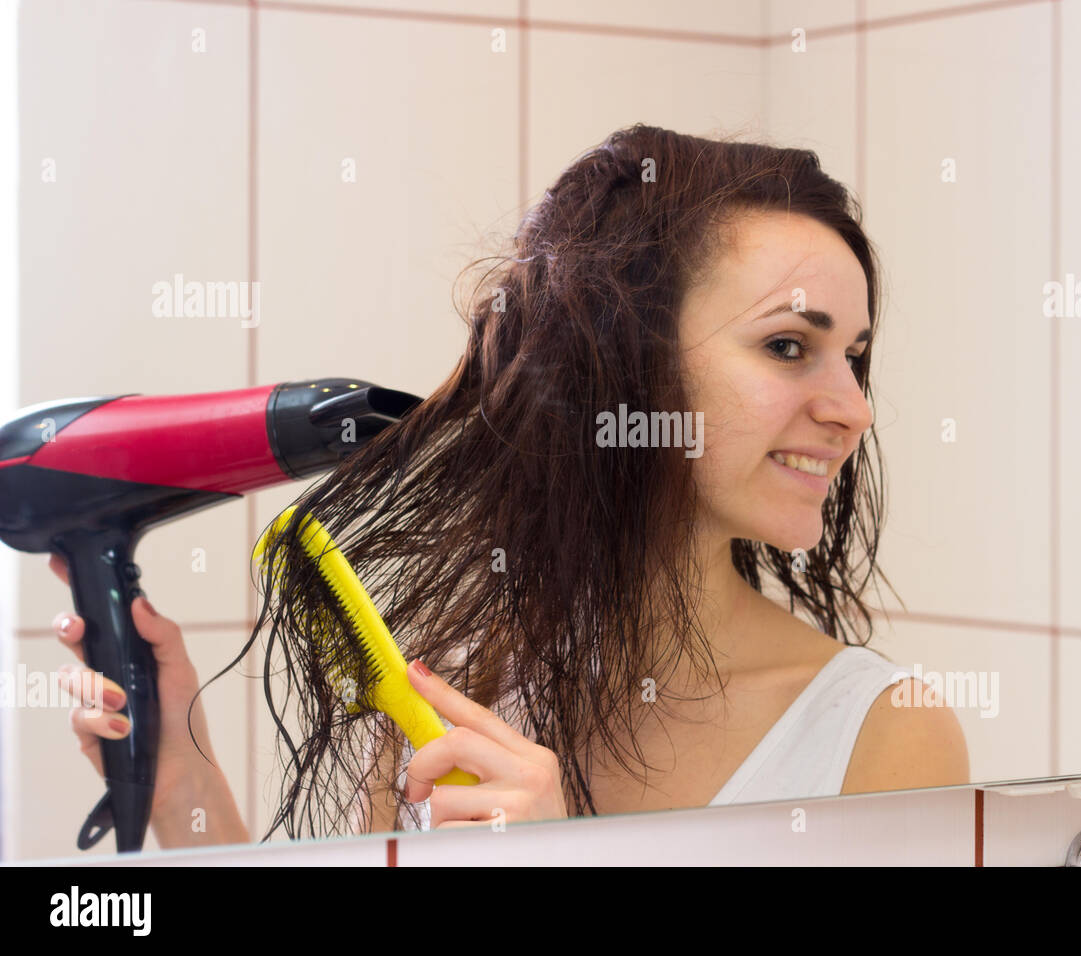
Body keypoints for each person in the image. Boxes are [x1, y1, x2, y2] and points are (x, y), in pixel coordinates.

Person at [52, 123, 969, 849]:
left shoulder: (880, 738)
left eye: (852, 357)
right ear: (621, 365)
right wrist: (185, 788)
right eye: (788, 346)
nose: (855, 409)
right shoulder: (449, 688)